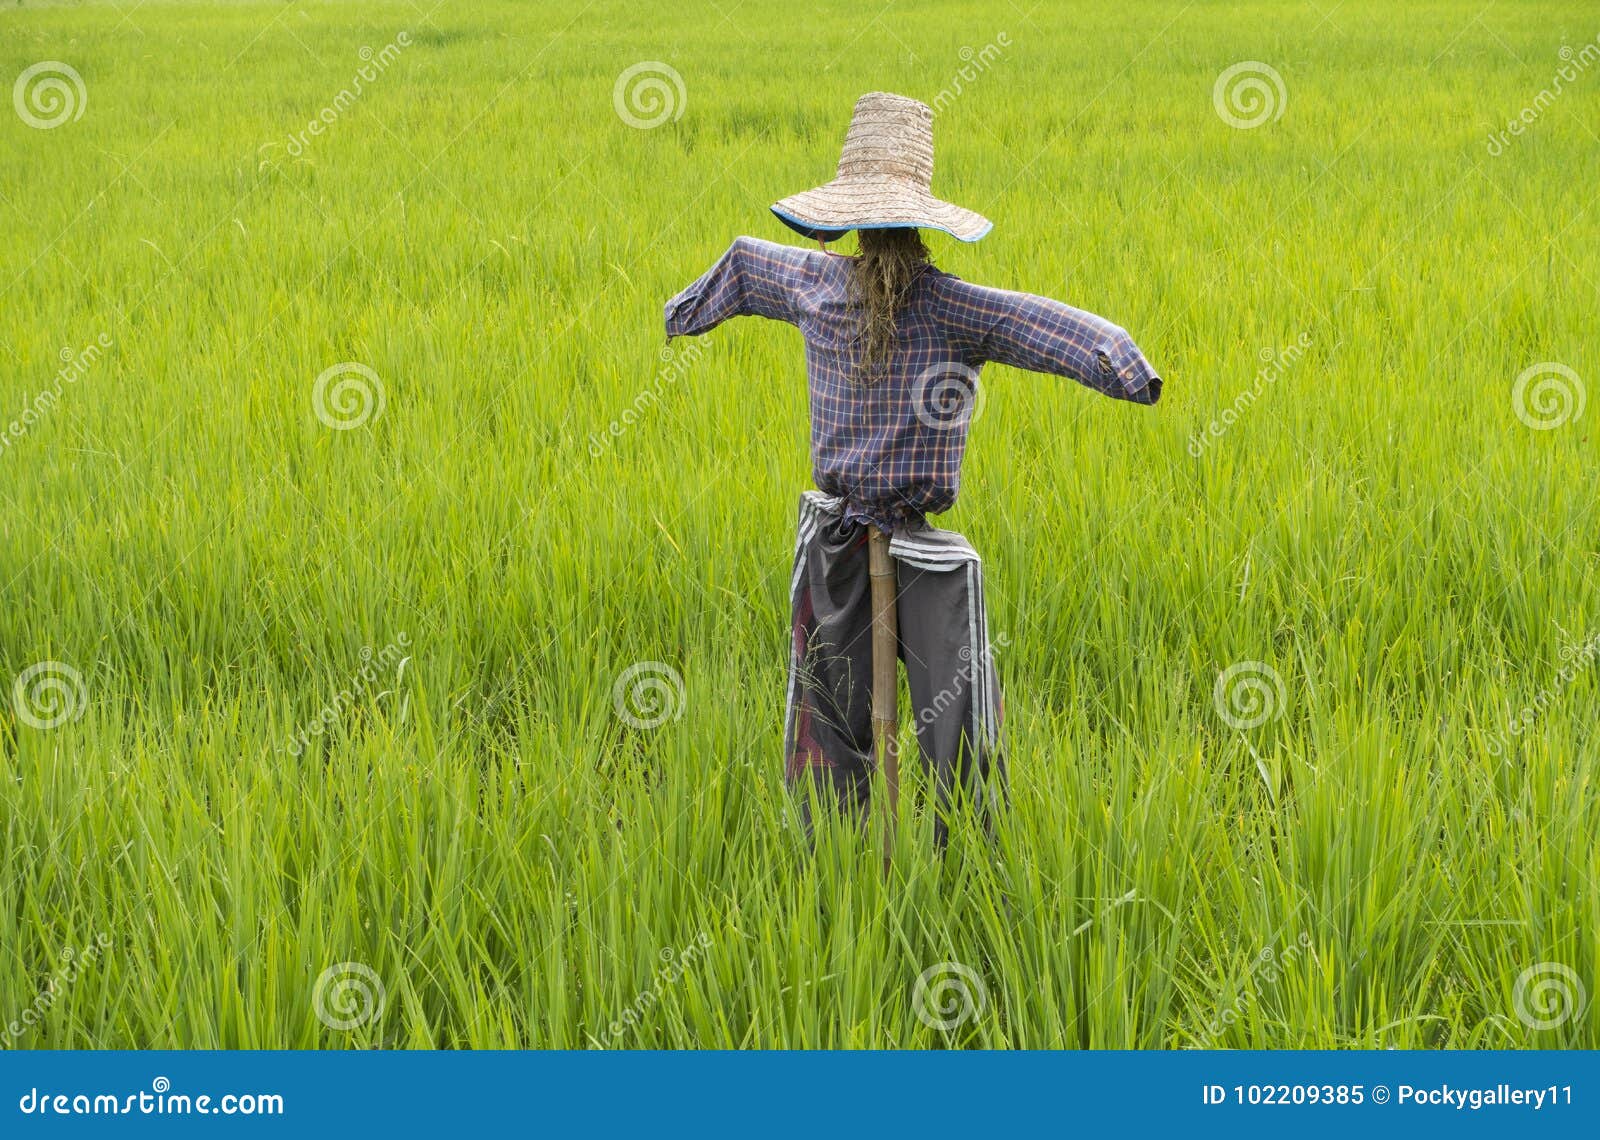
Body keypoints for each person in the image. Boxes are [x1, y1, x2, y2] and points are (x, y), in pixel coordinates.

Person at [664, 92, 1162, 846]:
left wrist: (683, 312)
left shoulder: (841, 286)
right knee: (837, 716)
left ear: (852, 218)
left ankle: (941, 869)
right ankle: (852, 864)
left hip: (915, 555)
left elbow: (740, 262)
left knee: (951, 729)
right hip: (843, 538)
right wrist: (1129, 368)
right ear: (920, 221)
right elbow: (1045, 323)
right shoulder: (915, 300)